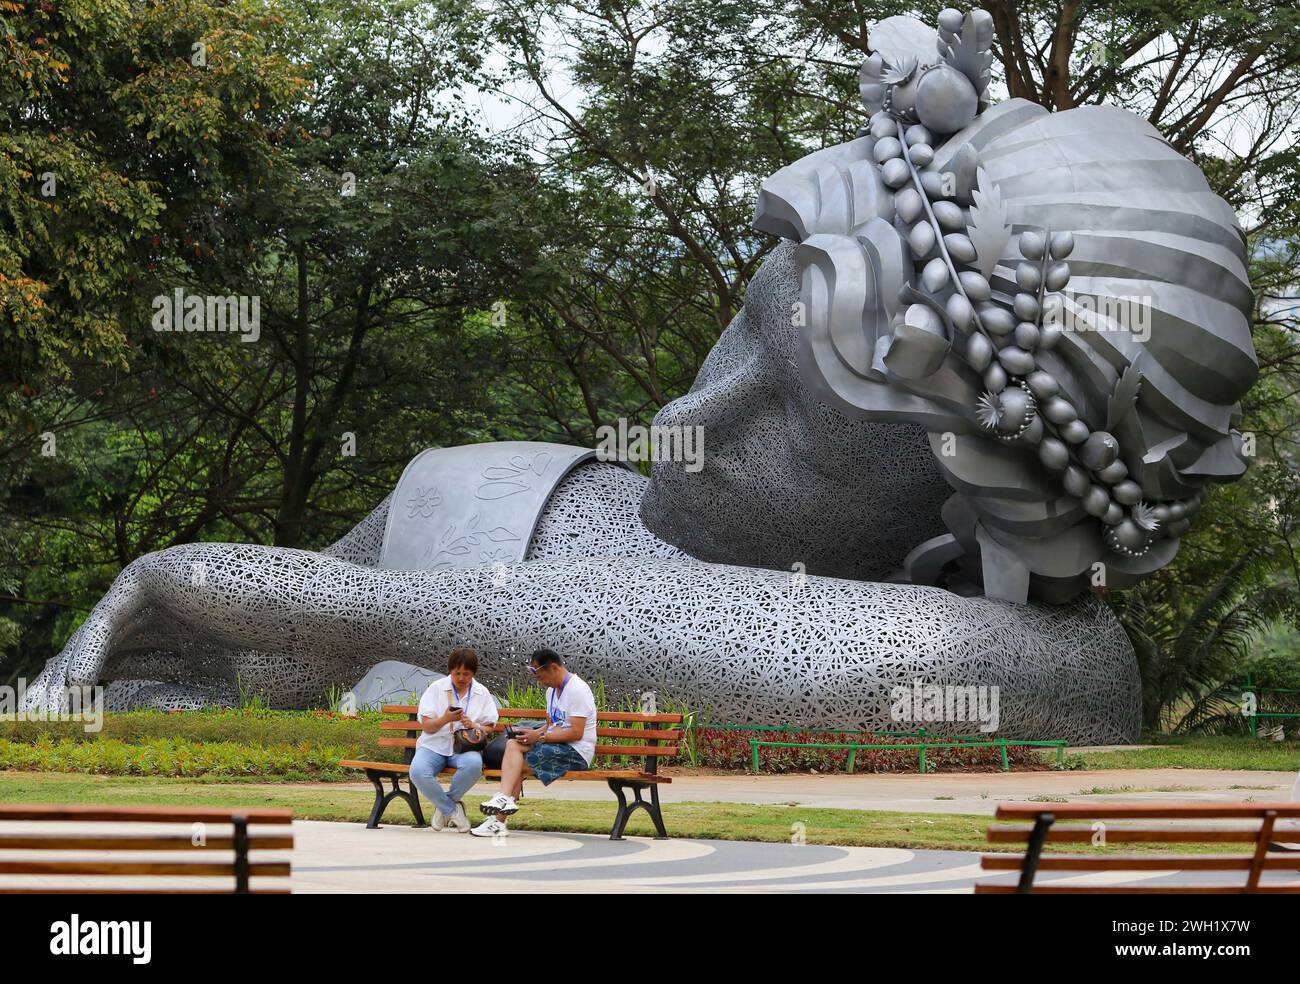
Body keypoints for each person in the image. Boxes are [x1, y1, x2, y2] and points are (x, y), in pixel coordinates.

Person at [471, 648, 596, 838]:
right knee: (513, 745)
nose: (539, 681)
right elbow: (551, 726)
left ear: (553, 668)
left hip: (576, 752)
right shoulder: (551, 692)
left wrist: (540, 738)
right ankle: (501, 809)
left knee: (516, 764)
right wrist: (534, 733)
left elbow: (576, 732)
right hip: (557, 747)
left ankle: (499, 816)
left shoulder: (578, 690)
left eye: (540, 675)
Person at [409, 647, 498, 833]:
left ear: (473, 673)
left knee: (474, 765)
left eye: (466, 674)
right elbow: (426, 726)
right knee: (418, 771)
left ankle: (443, 806)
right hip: (434, 744)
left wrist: (474, 725)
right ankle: (451, 809)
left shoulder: (481, 692)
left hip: (464, 747)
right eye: (457, 673)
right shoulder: (436, 688)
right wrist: (446, 719)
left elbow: (490, 727)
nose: (461, 678)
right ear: (450, 671)